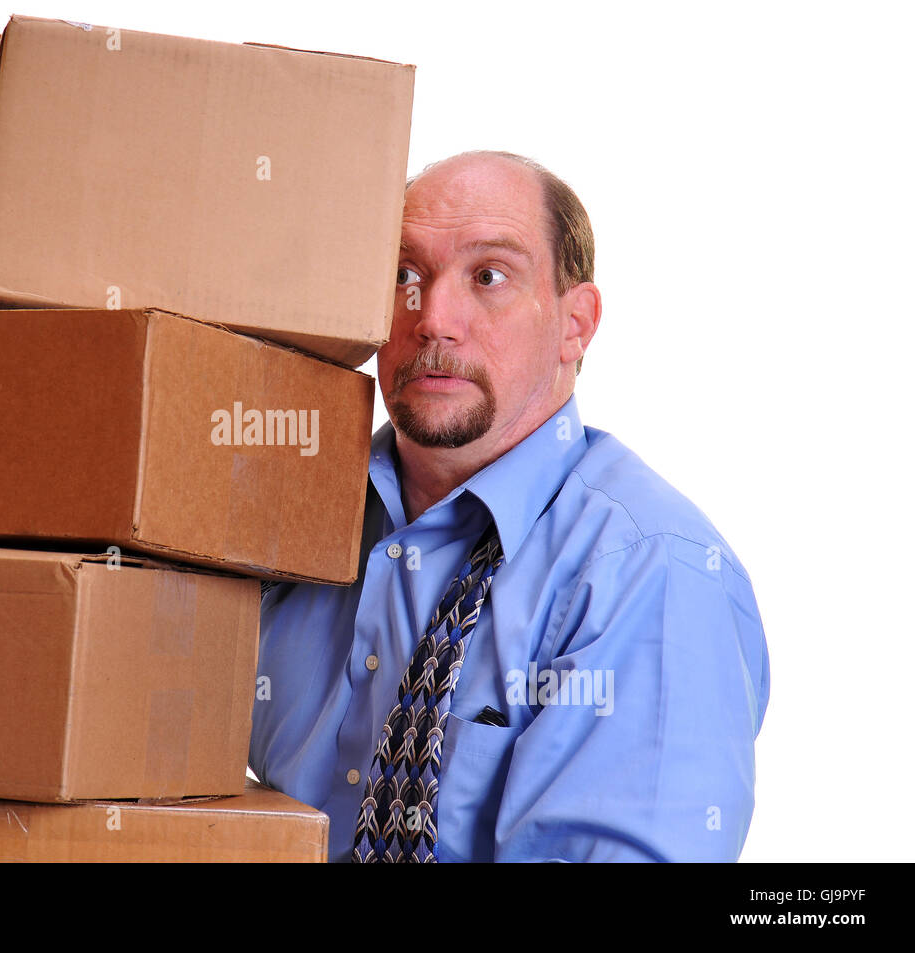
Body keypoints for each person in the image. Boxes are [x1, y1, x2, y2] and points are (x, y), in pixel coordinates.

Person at [249, 150, 770, 862]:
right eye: (404, 276)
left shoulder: (652, 573)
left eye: (489, 276)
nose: (432, 318)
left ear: (574, 324)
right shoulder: (272, 516)